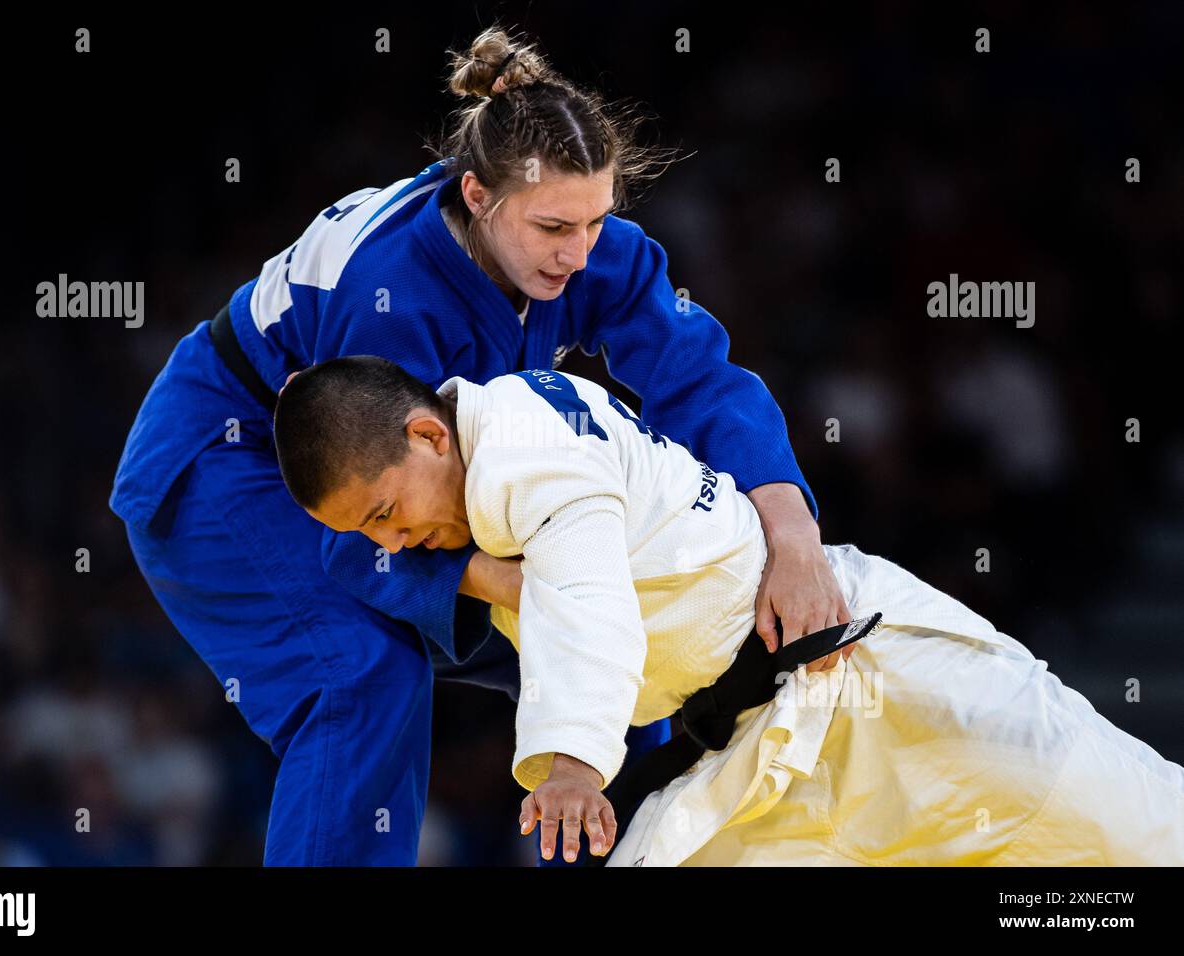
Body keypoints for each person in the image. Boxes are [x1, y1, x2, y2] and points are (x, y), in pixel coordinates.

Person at [109, 27, 846, 865]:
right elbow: (357, 530)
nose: (577, 251)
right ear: (478, 196)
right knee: (364, 672)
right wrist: (524, 586)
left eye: (597, 221)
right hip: (232, 463)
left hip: (374, 476)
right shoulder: (392, 302)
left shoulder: (590, 250)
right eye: (553, 227)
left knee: (635, 663)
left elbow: (700, 378)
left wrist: (791, 535)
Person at [273, 356, 1184, 866]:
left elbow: (589, 606)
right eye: (371, 533)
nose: (393, 544)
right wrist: (488, 578)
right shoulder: (501, 434)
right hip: (749, 750)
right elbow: (389, 568)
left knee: (1125, 827)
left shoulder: (519, 461)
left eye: (387, 513)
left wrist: (572, 767)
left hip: (866, 675)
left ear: (428, 435)